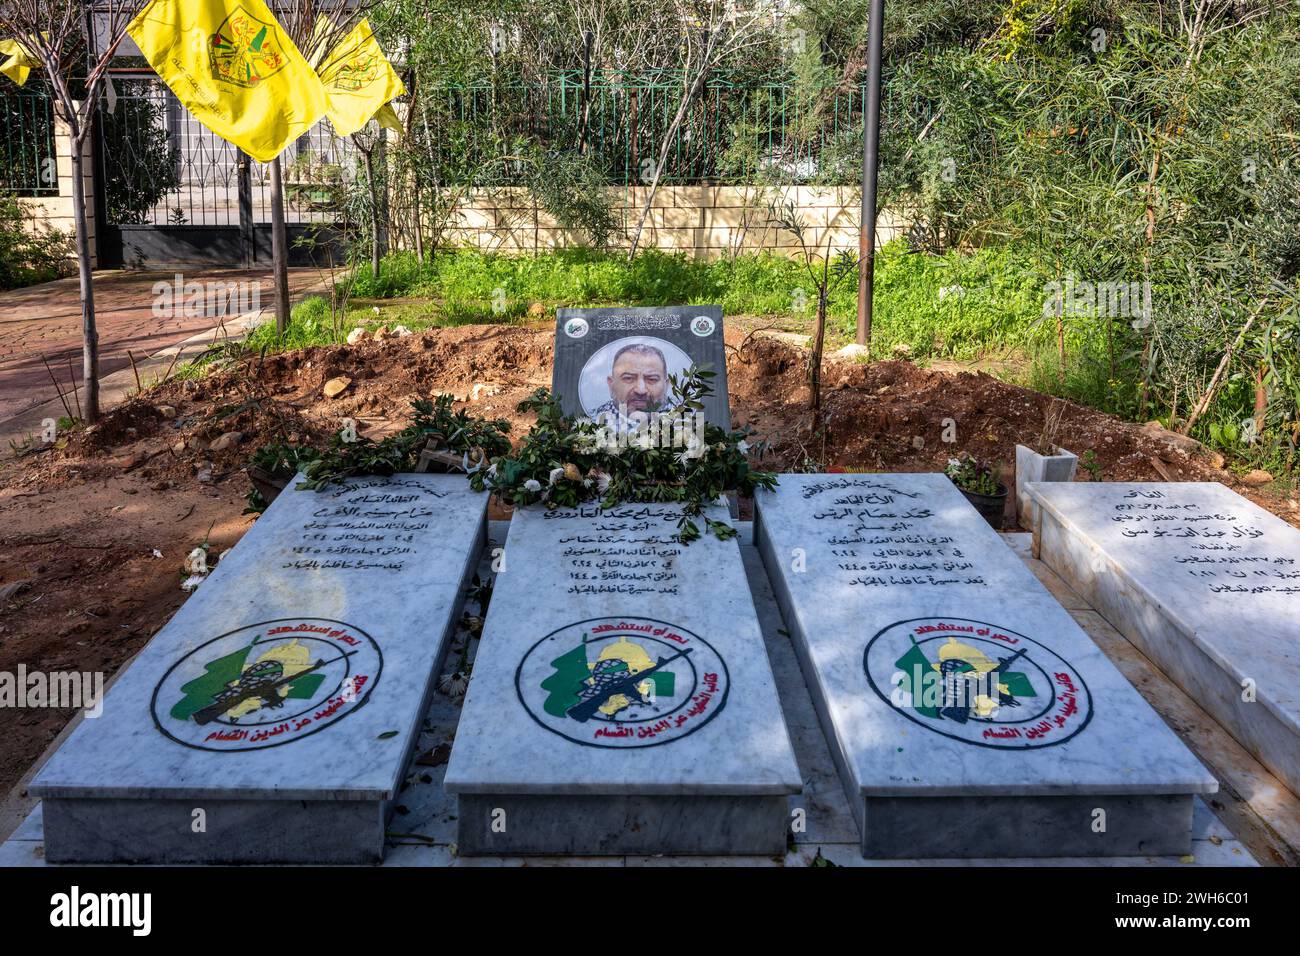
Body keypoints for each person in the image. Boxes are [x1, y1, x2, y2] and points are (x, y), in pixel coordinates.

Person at [590, 342, 670, 423]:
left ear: (666, 386)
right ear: (611, 385)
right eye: (628, 378)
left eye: (652, 379)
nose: (640, 390)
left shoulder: (681, 417)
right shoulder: (591, 421)